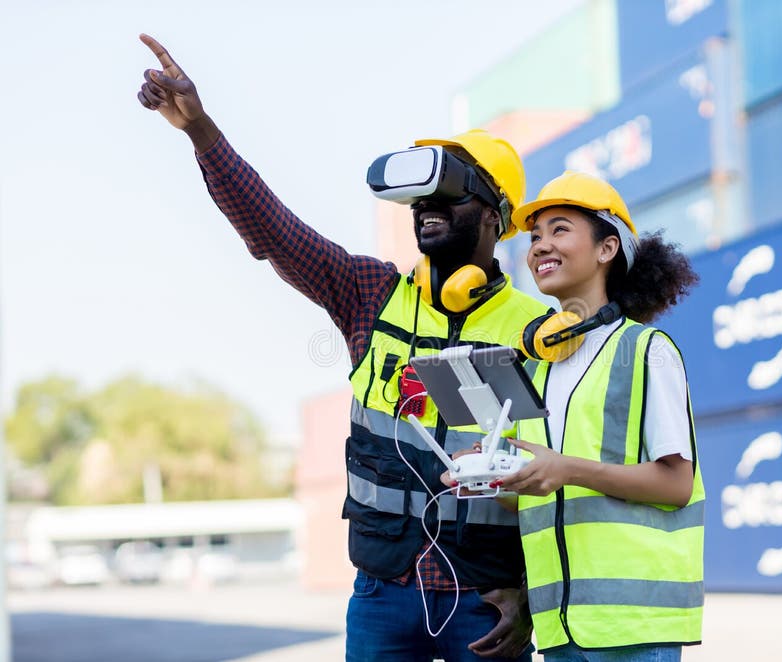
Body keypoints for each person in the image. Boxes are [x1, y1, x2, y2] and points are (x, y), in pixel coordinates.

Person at [136, 34, 551, 662]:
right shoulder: (370, 294)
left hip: (487, 602)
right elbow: (274, 232)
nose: (427, 208)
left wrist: (531, 593)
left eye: (450, 194)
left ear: (496, 216)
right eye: (421, 197)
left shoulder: (538, 329)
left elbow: (564, 478)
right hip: (383, 595)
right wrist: (201, 131)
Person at [462, 171, 705, 660]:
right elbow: (537, 494)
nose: (540, 246)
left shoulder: (647, 350)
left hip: (634, 628)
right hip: (559, 629)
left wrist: (567, 469)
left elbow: (677, 484)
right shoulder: (533, 369)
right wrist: (492, 477)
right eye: (535, 236)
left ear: (607, 248)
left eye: (559, 229)